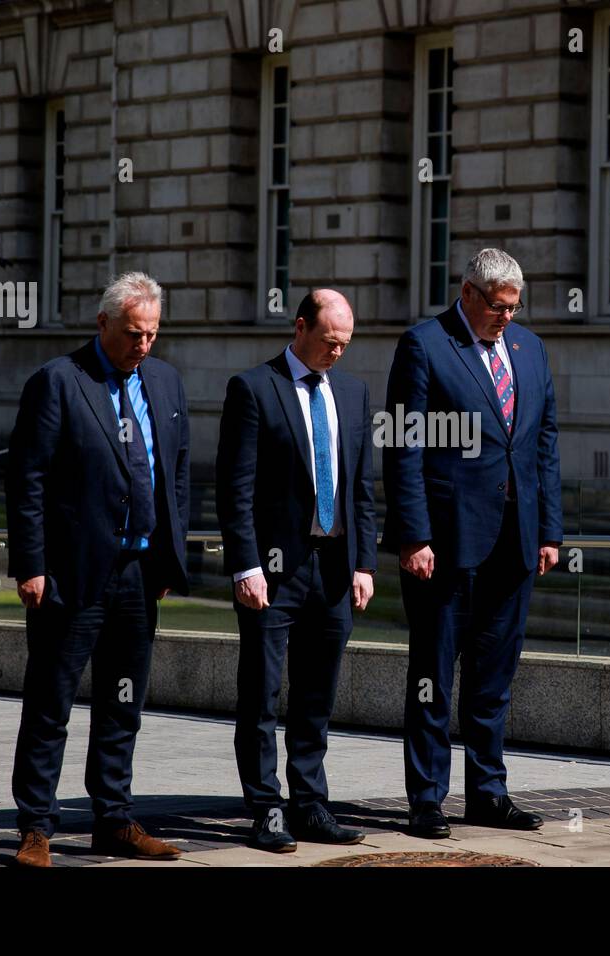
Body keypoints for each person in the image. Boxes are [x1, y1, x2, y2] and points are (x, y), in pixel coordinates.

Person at [5, 272, 190, 867]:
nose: (144, 345)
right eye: (135, 333)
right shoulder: (58, 382)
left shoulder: (164, 382)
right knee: (50, 703)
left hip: (139, 574)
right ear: (103, 323)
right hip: (73, 573)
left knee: (122, 702)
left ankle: (113, 819)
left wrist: (169, 555)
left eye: (153, 334)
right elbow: (27, 480)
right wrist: (30, 566)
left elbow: (176, 473)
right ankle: (36, 827)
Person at [384, 248, 563, 839]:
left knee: (494, 679)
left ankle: (488, 792)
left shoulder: (530, 350)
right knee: (433, 675)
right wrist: (413, 534)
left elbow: (544, 445)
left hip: (515, 543)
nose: (506, 317)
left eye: (514, 307)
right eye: (497, 306)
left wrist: (550, 530)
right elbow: (404, 447)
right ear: (468, 294)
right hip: (446, 543)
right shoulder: (425, 346)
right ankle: (427, 799)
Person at [216, 289, 378, 852]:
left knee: (316, 696)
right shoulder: (254, 389)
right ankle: (266, 808)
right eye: (330, 341)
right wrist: (245, 565)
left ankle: (310, 803)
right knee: (261, 694)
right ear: (301, 326)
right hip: (273, 572)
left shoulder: (353, 394)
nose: (338, 352)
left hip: (332, 570)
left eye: (345, 344)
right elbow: (235, 490)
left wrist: (364, 563)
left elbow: (361, 488)